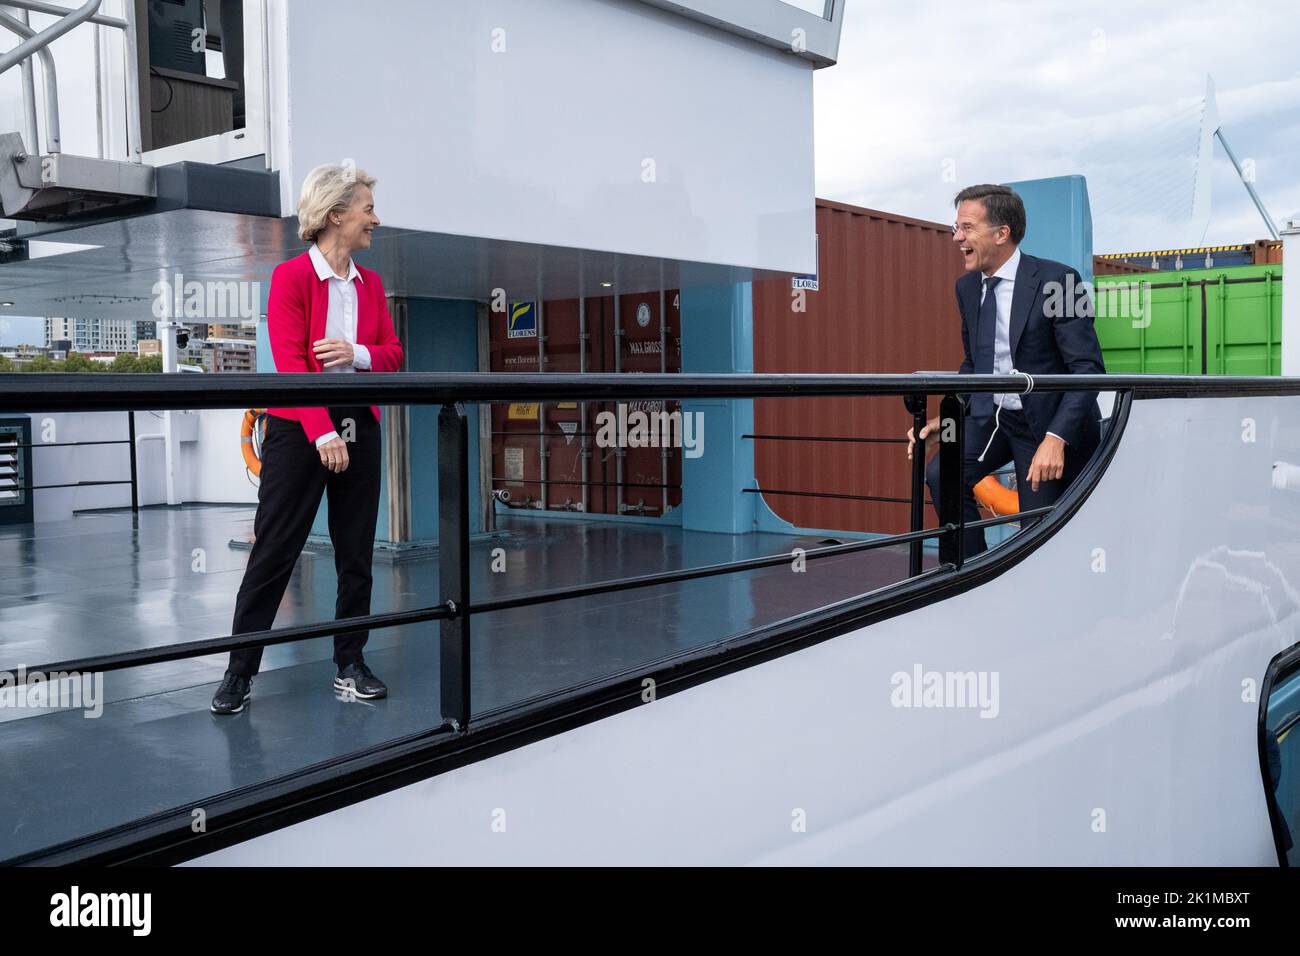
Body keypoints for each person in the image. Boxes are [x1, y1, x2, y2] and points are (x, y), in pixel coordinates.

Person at [212, 163, 403, 715]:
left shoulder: (371, 285)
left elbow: (393, 356)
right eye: (368, 208)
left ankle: (350, 663)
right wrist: (321, 432)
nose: (376, 218)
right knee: (275, 550)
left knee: (356, 553)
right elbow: (291, 368)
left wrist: (356, 354)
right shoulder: (290, 278)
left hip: (358, 422)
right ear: (334, 214)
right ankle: (239, 671)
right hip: (299, 427)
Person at [907, 184, 1105, 558]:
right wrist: (946, 418)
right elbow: (975, 364)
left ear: (1002, 233)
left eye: (966, 227)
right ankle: (968, 572)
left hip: (1045, 425)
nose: (957, 237)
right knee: (941, 475)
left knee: (1037, 536)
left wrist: (1056, 437)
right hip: (994, 419)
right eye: (956, 227)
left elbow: (1089, 369)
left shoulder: (1059, 281)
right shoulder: (966, 288)